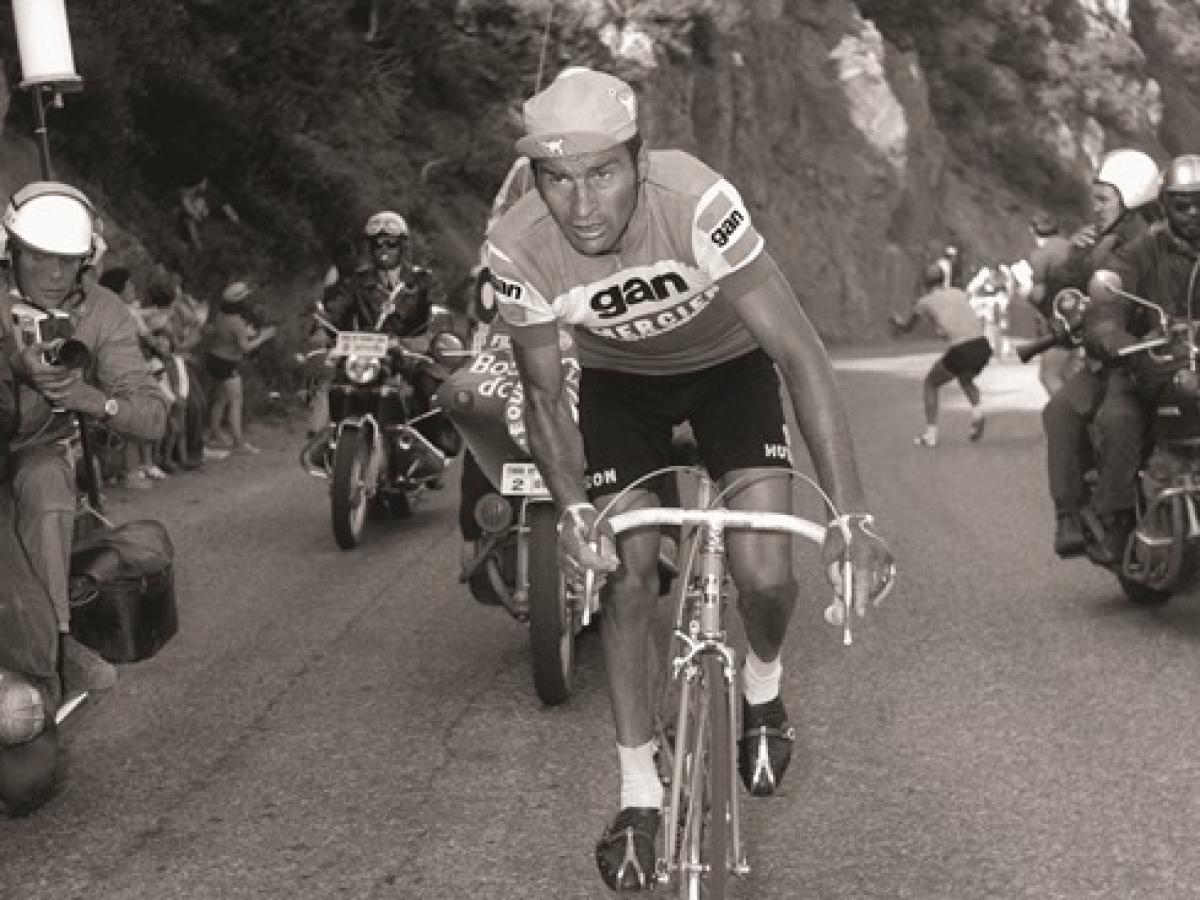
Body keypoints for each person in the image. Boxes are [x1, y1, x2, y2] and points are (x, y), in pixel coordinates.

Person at [482, 68, 895, 891]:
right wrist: (573, 514)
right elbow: (539, 393)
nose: (581, 204)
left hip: (729, 373)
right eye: (556, 179)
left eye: (602, 173)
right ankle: (638, 789)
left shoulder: (698, 202)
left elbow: (799, 354)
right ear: (535, 179)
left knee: (767, 573)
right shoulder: (516, 246)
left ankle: (764, 686)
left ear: (639, 159)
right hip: (617, 390)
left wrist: (851, 516)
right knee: (626, 575)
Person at [0, 181, 168, 694]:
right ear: (11, 251)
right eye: (38, 257)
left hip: (33, 449)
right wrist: (14, 363)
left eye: (68, 261)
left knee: (48, 481)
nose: (54, 274)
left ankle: (56, 641)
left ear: (86, 260)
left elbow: (151, 415)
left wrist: (90, 398)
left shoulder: (104, 311)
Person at [1037, 148, 1158, 558]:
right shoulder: (1100, 244)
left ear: (1132, 197)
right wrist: (1073, 260)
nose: (1097, 207)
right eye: (1098, 198)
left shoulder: (1147, 241)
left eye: (1105, 198)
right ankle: (1070, 514)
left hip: (1145, 355)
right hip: (1112, 355)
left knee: (1114, 417)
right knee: (1060, 410)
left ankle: (1112, 517)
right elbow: (1063, 299)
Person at [1083, 153, 1200, 566]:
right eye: (1182, 204)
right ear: (1165, 205)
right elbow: (1106, 304)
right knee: (1119, 419)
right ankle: (1116, 524)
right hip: (1150, 361)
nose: (1193, 213)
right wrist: (1111, 334)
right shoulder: (1140, 252)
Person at [319, 210, 458, 454]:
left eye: (391, 243)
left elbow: (440, 315)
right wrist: (322, 328)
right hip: (366, 354)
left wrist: (425, 340)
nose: (384, 249)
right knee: (337, 384)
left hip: (411, 355)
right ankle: (336, 438)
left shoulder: (423, 281)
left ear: (402, 246)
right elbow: (336, 309)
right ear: (370, 248)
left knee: (430, 388)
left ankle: (432, 447)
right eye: (377, 244)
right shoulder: (358, 281)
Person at [892, 264, 992, 447]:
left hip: (962, 348)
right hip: (983, 345)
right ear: (943, 279)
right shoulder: (958, 293)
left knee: (931, 383)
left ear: (924, 282)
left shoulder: (925, 302)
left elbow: (908, 327)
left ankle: (930, 435)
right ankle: (978, 413)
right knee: (965, 378)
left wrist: (897, 324)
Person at [205, 280, 276, 454]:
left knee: (221, 399)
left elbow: (227, 335)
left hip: (214, 358)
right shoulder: (236, 321)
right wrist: (263, 337)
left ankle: (215, 432)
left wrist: (248, 334)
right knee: (236, 402)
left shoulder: (221, 314)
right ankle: (239, 442)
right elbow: (245, 347)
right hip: (228, 363)